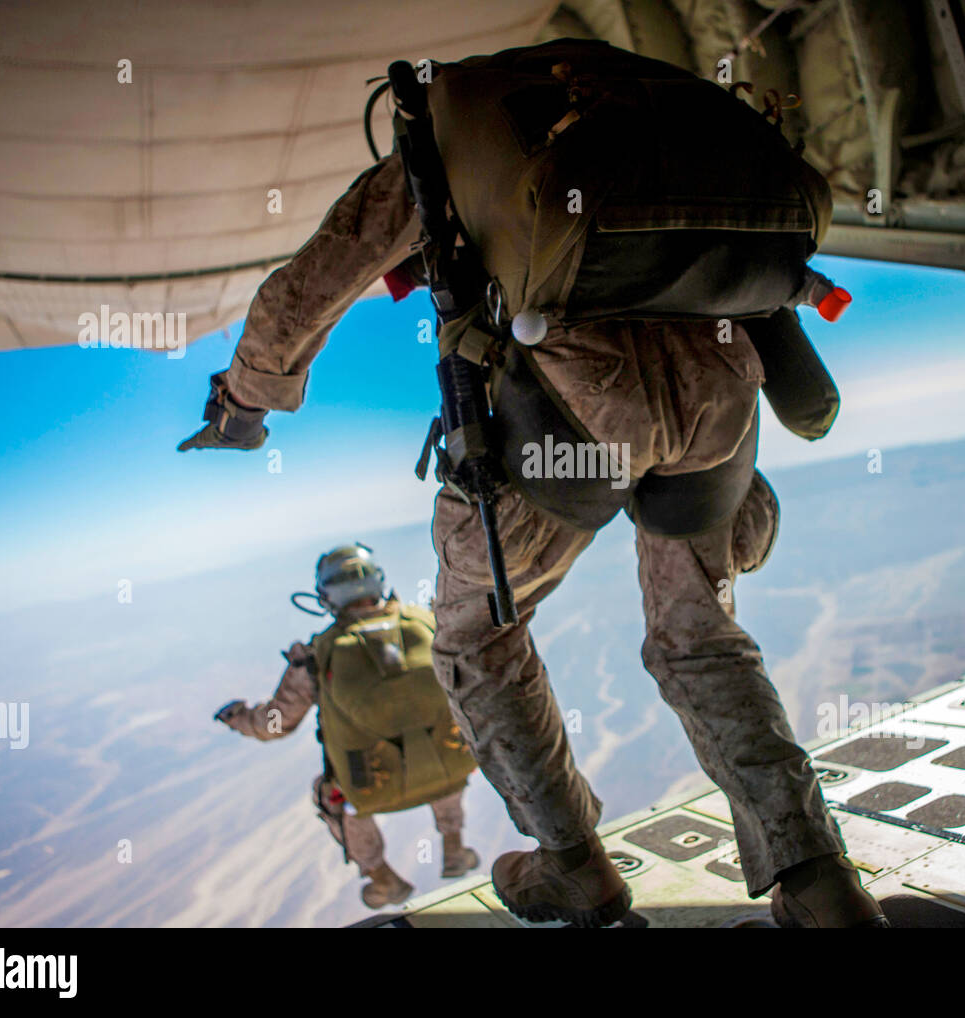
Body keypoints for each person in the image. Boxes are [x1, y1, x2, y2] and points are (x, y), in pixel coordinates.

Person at [183, 39, 887, 929]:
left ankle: (576, 869)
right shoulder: (651, 103)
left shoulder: (450, 135)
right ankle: (819, 880)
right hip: (721, 401)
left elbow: (307, 289)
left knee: (477, 638)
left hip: (570, 416)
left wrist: (244, 404)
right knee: (701, 638)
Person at [214, 543, 479, 908]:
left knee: (330, 793)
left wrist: (239, 718)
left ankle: (382, 879)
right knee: (440, 743)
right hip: (453, 768)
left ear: (326, 596)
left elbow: (274, 724)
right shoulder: (429, 621)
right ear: (377, 581)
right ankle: (454, 847)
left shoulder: (317, 654)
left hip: (371, 786)